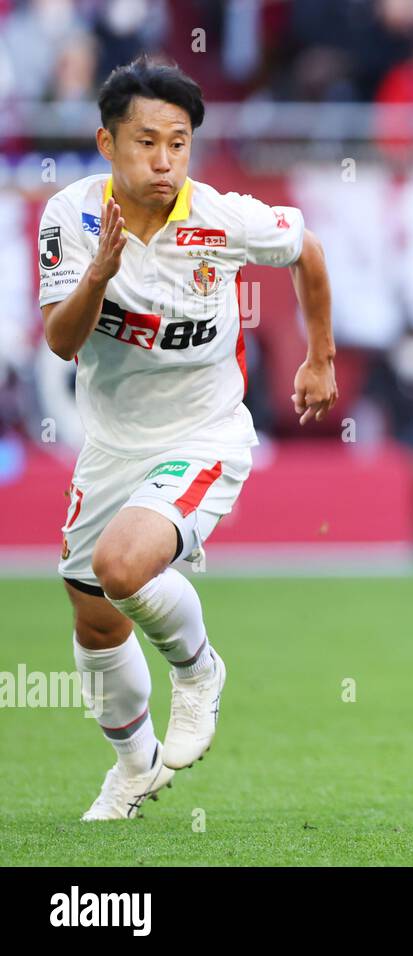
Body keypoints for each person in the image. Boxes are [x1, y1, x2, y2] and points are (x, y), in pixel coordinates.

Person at [38, 57, 338, 820]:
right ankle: (135, 768)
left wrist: (319, 356)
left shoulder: (221, 217)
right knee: (96, 616)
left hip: (204, 435)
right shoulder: (69, 220)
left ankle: (199, 671)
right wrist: (98, 275)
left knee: (121, 566)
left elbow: (307, 250)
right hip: (111, 444)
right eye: (147, 142)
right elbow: (62, 342)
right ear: (107, 144)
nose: (165, 160)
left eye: (179, 142)